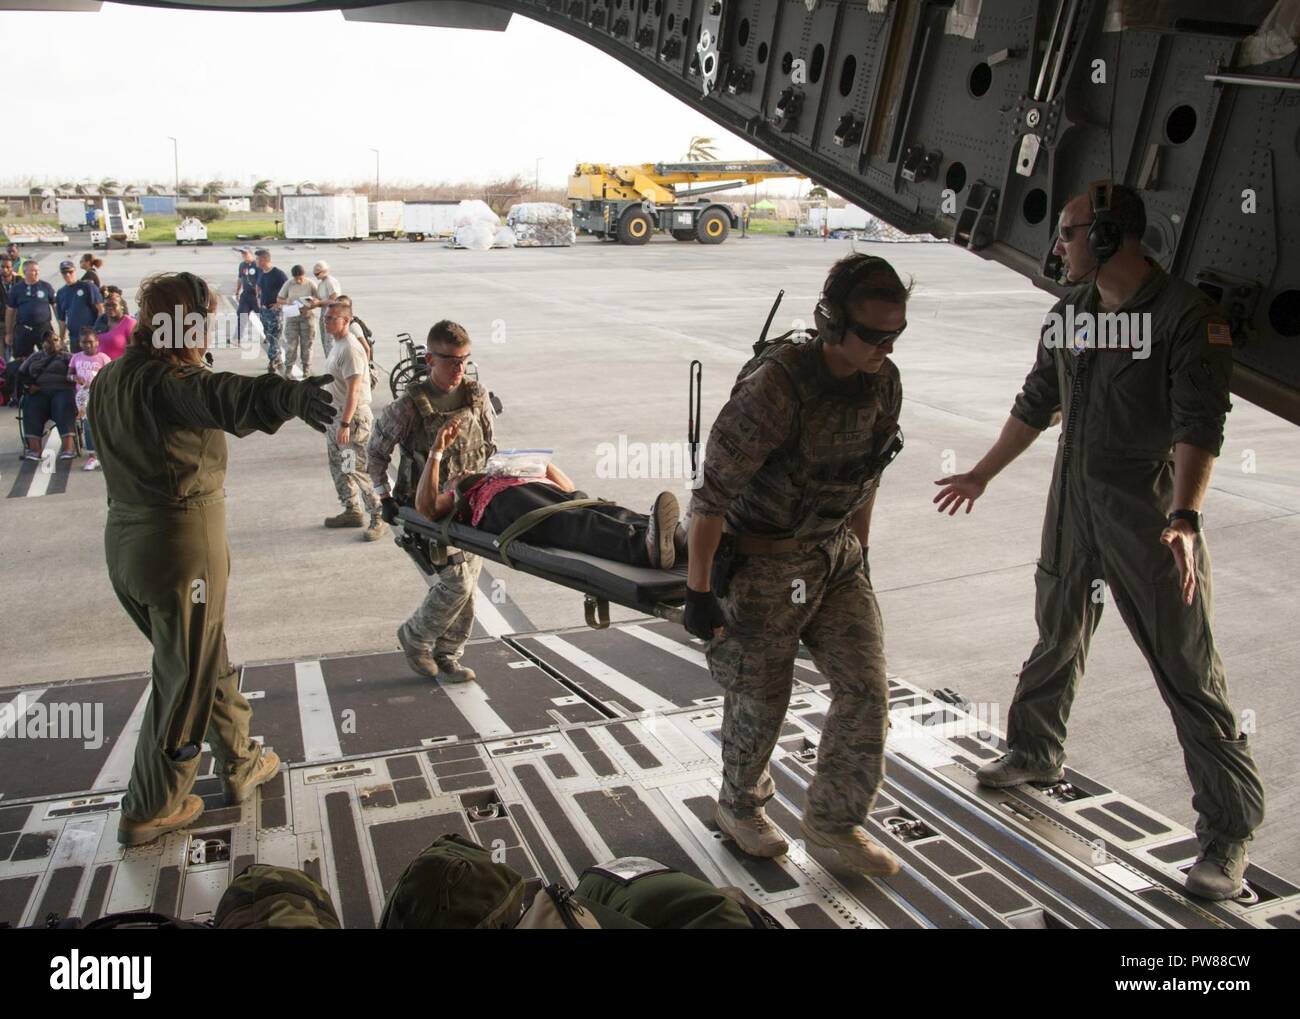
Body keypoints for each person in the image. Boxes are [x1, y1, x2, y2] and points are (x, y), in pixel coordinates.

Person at [932, 182, 1264, 901]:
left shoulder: (1186, 319)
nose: (1058, 244)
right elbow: (1036, 401)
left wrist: (1184, 517)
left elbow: (1198, 426)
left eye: (1069, 231)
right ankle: (1033, 748)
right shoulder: (1072, 315)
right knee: (1058, 627)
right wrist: (983, 473)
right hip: (1072, 502)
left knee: (1184, 665)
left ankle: (1228, 831)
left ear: (1111, 237)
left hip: (1146, 513)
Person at [89, 271, 335, 847]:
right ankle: (152, 806)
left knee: (203, 657)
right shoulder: (168, 381)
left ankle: (240, 758)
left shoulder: (110, 380)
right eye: (205, 322)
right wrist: (288, 394)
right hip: (181, 546)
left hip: (125, 544)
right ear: (187, 323)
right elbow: (223, 394)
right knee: (184, 679)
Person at [683, 254, 908, 877]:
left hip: (834, 557)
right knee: (763, 695)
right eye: (872, 335)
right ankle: (738, 806)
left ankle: (835, 826)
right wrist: (699, 592)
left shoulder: (882, 382)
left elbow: (867, 475)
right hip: (763, 565)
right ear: (831, 321)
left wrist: (860, 555)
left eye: (896, 335)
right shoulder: (776, 388)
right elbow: (711, 497)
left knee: (867, 688)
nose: (884, 349)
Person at [369, 320, 495, 684]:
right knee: (455, 583)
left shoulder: (477, 395)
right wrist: (384, 497)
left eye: (465, 360)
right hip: (425, 511)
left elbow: (490, 444)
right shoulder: (408, 407)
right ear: (429, 360)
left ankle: (448, 655)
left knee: (469, 587)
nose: (459, 369)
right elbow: (375, 453)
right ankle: (415, 637)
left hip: (469, 507)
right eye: (451, 360)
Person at [417, 424, 681, 568]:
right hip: (508, 507)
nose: (462, 471)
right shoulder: (464, 494)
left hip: (539, 491)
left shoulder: (498, 474)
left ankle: (671, 536)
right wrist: (437, 452)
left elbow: (568, 488)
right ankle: (643, 550)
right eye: (456, 474)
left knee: (593, 507)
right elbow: (427, 508)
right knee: (574, 524)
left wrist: (530, 462)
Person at [321, 295, 385, 541]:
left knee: (355, 468)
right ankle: (351, 509)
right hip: (335, 416)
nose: (326, 322)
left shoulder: (349, 349)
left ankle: (379, 516)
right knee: (338, 466)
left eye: (331, 318)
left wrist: (346, 423)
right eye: (325, 317)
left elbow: (354, 390)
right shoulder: (336, 343)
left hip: (351, 419)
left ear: (346, 320)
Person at [18, 328, 77, 461]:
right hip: (39, 391)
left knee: (64, 404)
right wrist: (29, 385)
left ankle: (68, 448)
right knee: (31, 405)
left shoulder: (69, 357)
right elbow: (21, 374)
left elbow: (79, 372)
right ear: (42, 343)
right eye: (47, 341)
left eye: (55, 340)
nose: (52, 342)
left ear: (61, 341)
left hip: (62, 389)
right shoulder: (35, 357)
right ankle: (35, 450)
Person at [69, 325, 111, 470]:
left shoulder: (103, 358)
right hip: (83, 395)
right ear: (79, 343)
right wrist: (75, 377)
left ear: (97, 342)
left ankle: (106, 454)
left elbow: (110, 377)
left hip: (100, 395)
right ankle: (92, 456)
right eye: (84, 342)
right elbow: (68, 375)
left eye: (90, 342)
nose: (87, 345)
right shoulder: (76, 357)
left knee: (103, 424)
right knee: (88, 425)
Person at [5, 259, 57, 364]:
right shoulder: (16, 289)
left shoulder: (46, 286)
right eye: (33, 270)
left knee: (50, 356)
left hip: (43, 328)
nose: (37, 272)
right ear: (25, 272)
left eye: (38, 270)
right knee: (21, 359)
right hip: (24, 329)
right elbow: (10, 312)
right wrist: (9, 333)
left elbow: (55, 307)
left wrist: (61, 328)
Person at [276, 264, 318, 379]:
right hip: (292, 317)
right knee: (291, 345)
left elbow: (318, 299)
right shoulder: (289, 284)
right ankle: (289, 368)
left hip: (307, 316)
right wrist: (287, 301)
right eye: (296, 278)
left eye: (300, 278)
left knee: (307, 344)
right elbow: (279, 299)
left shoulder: (310, 283)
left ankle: (306, 368)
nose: (298, 280)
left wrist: (313, 302)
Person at [55, 259, 103, 347]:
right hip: (74, 337)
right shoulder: (61, 292)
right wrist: (61, 339)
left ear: (75, 271)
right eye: (64, 273)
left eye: (70, 272)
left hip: (91, 336)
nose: (67, 275)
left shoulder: (87, 286)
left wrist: (98, 329)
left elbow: (100, 309)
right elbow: (62, 320)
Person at [254, 249, 288, 375]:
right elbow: (258, 286)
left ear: (263, 259)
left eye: (257, 259)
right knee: (268, 336)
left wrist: (279, 304)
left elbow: (289, 289)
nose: (256, 261)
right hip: (264, 311)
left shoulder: (278, 274)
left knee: (274, 337)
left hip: (274, 312)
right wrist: (258, 299)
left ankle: (272, 361)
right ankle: (277, 358)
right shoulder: (262, 272)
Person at [311, 261, 342, 355]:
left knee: (330, 341)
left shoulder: (330, 282)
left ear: (324, 271)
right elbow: (321, 300)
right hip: (324, 312)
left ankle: (333, 364)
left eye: (317, 273)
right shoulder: (321, 284)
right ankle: (329, 362)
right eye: (314, 274)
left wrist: (319, 302)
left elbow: (335, 300)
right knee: (324, 340)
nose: (316, 276)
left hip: (333, 313)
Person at [95, 290, 135, 360]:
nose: (110, 308)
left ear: (122, 306)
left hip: (120, 367)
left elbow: (136, 349)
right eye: (107, 305)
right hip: (101, 367)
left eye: (114, 305)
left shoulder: (129, 323)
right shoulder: (100, 321)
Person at [234, 246, 260, 346]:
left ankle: (269, 335)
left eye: (245, 253)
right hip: (246, 295)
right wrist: (237, 291)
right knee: (242, 315)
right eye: (242, 254)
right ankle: (238, 339)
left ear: (250, 253)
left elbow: (261, 281)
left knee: (263, 317)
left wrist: (259, 296)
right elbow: (240, 278)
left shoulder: (257, 265)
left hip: (256, 296)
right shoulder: (242, 265)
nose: (244, 255)